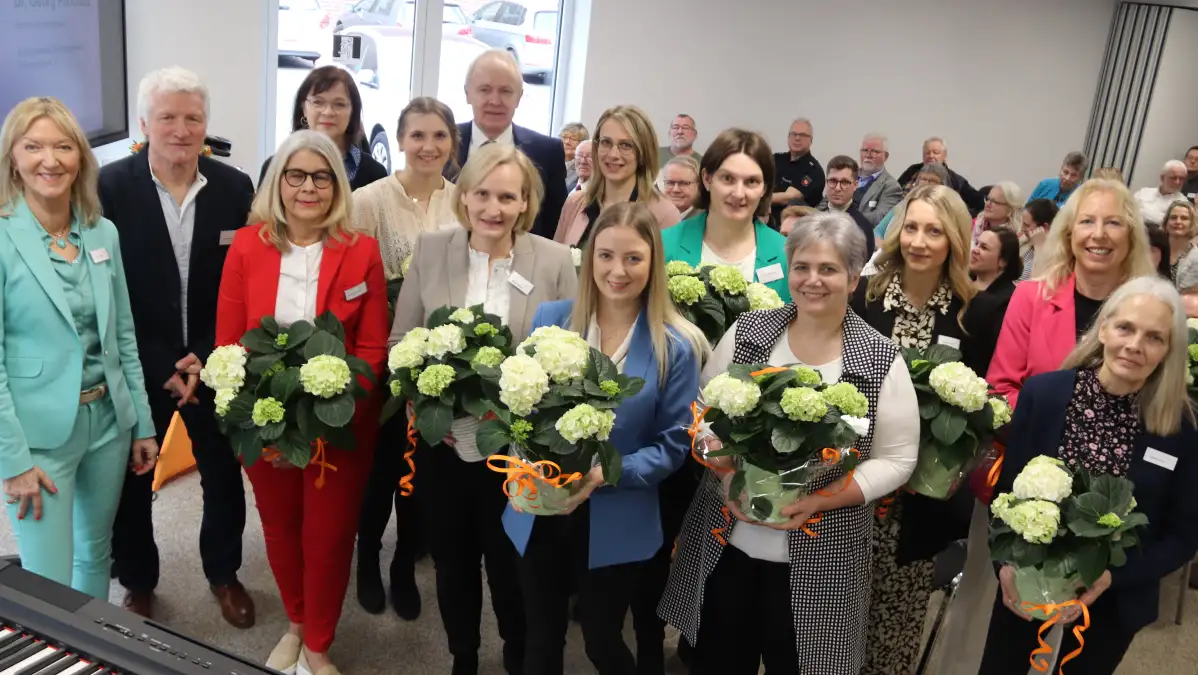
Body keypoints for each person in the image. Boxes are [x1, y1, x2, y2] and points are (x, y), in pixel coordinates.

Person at [659, 211, 920, 675]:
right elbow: (701, 412)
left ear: (854, 277)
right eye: (801, 267)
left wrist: (823, 498)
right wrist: (726, 471)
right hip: (727, 544)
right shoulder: (750, 332)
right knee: (716, 661)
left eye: (828, 269)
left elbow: (898, 458)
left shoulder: (880, 357)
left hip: (824, 556)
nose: (812, 280)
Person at [389, 143, 578, 675]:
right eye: (482, 194)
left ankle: (516, 652)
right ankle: (463, 655)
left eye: (507, 197)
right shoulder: (431, 250)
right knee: (452, 562)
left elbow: (571, 355)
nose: (493, 208)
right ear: (464, 196)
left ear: (526, 203)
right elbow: (401, 339)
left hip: (517, 450)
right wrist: (425, 402)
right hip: (444, 442)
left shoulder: (555, 260)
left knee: (511, 563)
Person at [215, 130, 389, 675]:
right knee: (280, 526)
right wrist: (259, 414)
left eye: (321, 176)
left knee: (330, 535)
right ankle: (295, 621)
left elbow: (372, 347)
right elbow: (228, 341)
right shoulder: (247, 246)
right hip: (264, 422)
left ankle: (317, 641)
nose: (308, 187)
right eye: (296, 175)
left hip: (339, 423)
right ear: (279, 182)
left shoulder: (361, 251)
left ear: (337, 185)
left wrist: (330, 409)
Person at [506, 202, 704, 675]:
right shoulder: (552, 318)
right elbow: (523, 409)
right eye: (606, 256)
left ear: (653, 263)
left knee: (601, 640)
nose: (617, 271)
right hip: (542, 504)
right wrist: (527, 465)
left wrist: (603, 475)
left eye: (633, 258)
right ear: (589, 257)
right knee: (541, 636)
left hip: (618, 510)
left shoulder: (675, 344)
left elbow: (675, 442)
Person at [979, 276, 1198, 675]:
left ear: (1169, 351)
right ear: (1104, 328)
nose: (1134, 345)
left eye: (1154, 337)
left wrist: (1115, 577)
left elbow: (1184, 536)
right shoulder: (1044, 395)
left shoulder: (1179, 431)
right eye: (1125, 328)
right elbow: (1006, 496)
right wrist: (1005, 565)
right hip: (1029, 579)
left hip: (1114, 600)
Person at [101, 66, 256, 625]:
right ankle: (138, 580)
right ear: (145, 123)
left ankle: (224, 572)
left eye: (193, 117)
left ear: (206, 124)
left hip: (216, 362)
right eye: (168, 117)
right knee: (134, 477)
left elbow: (244, 283)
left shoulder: (235, 189)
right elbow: (110, 295)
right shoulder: (108, 188)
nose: (182, 129)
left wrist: (210, 353)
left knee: (222, 474)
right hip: (143, 359)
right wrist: (164, 361)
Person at [0, 96, 158, 599]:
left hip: (108, 424)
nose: (50, 160)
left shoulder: (101, 232)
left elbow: (124, 336)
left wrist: (143, 423)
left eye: (64, 146)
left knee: (95, 554)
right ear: (13, 159)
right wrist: (13, 462)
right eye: (34, 146)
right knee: (46, 578)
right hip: (40, 439)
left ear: (81, 158)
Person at [849, 185, 1001, 675]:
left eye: (934, 231)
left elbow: (979, 402)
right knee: (830, 614)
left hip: (919, 496)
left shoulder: (972, 312)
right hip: (851, 480)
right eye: (911, 227)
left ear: (954, 239)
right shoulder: (865, 296)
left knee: (893, 622)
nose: (919, 241)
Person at [352, 96, 462, 620]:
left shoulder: (464, 200)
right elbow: (353, 281)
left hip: (441, 359)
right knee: (381, 466)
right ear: (399, 140)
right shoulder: (369, 199)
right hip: (382, 347)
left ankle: (402, 563)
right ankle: (368, 555)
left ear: (451, 144)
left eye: (439, 136)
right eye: (417, 135)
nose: (428, 146)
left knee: (419, 470)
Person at [988, 178, 1155, 410]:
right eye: (1087, 221)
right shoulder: (1030, 297)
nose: (1098, 234)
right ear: (1069, 233)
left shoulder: (1151, 311)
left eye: (1113, 223)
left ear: (1131, 237)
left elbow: (1158, 400)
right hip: (1036, 439)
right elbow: (1001, 390)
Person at [661, 128, 788, 300]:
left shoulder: (786, 253)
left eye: (751, 181)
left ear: (764, 188)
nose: (738, 193)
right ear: (707, 179)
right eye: (727, 178)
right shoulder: (665, 244)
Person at [455, 49, 566, 239]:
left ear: (519, 97)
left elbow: (554, 228)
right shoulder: (443, 145)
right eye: (485, 90)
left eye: (505, 91)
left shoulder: (547, 153)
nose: (495, 101)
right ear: (467, 93)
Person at [554, 105, 680, 247]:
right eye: (606, 142)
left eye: (626, 145)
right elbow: (556, 264)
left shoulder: (664, 215)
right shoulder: (574, 203)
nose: (613, 154)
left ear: (643, 153)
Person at [260, 65, 386, 191]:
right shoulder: (275, 167)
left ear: (353, 112)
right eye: (318, 102)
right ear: (303, 108)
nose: (328, 112)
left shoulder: (375, 174)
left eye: (339, 104)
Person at [895, 137, 985, 213]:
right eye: (927, 153)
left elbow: (979, 202)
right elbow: (896, 191)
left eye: (936, 152)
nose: (931, 156)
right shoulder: (912, 171)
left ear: (944, 156)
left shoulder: (956, 180)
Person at [872, 162, 950, 245]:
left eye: (932, 181)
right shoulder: (903, 204)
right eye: (923, 179)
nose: (926, 184)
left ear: (942, 185)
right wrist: (881, 245)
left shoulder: (946, 211)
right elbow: (878, 231)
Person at [769, 117, 824, 225]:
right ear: (788, 137)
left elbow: (788, 198)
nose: (797, 138)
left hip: (790, 229)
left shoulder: (814, 171)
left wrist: (758, 199)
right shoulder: (775, 159)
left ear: (811, 140)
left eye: (803, 135)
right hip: (763, 221)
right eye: (793, 134)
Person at [853, 133, 903, 226]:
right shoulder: (848, 175)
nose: (868, 155)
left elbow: (880, 217)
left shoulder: (892, 187)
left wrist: (845, 220)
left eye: (875, 151)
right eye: (864, 150)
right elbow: (825, 204)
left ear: (886, 156)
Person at [971, 227, 1023, 298]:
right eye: (977, 243)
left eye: (984, 247)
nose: (974, 250)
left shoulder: (1009, 299)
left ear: (1003, 261)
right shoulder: (961, 282)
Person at [1133, 159, 1188, 226]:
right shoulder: (1143, 193)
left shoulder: (1183, 203)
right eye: (1173, 178)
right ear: (1162, 178)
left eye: (1181, 178)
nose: (1177, 182)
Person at [1019, 198, 1058, 281]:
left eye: (1026, 225)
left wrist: (1039, 248)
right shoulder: (1026, 241)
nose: (1022, 229)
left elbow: (1032, 283)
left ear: (1044, 227)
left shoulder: (1056, 255)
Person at [1161, 199, 1198, 283]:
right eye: (1173, 217)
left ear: (1192, 224)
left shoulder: (1196, 258)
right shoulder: (1156, 249)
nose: (1178, 222)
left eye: (1184, 218)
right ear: (1166, 222)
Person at [659, 154, 701, 220]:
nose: (676, 190)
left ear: (698, 186)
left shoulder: (707, 222)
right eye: (670, 183)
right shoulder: (652, 217)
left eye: (684, 183)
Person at [560, 122, 588, 191]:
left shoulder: (583, 168)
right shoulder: (550, 161)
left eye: (573, 139)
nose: (567, 142)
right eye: (564, 137)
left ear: (582, 143)